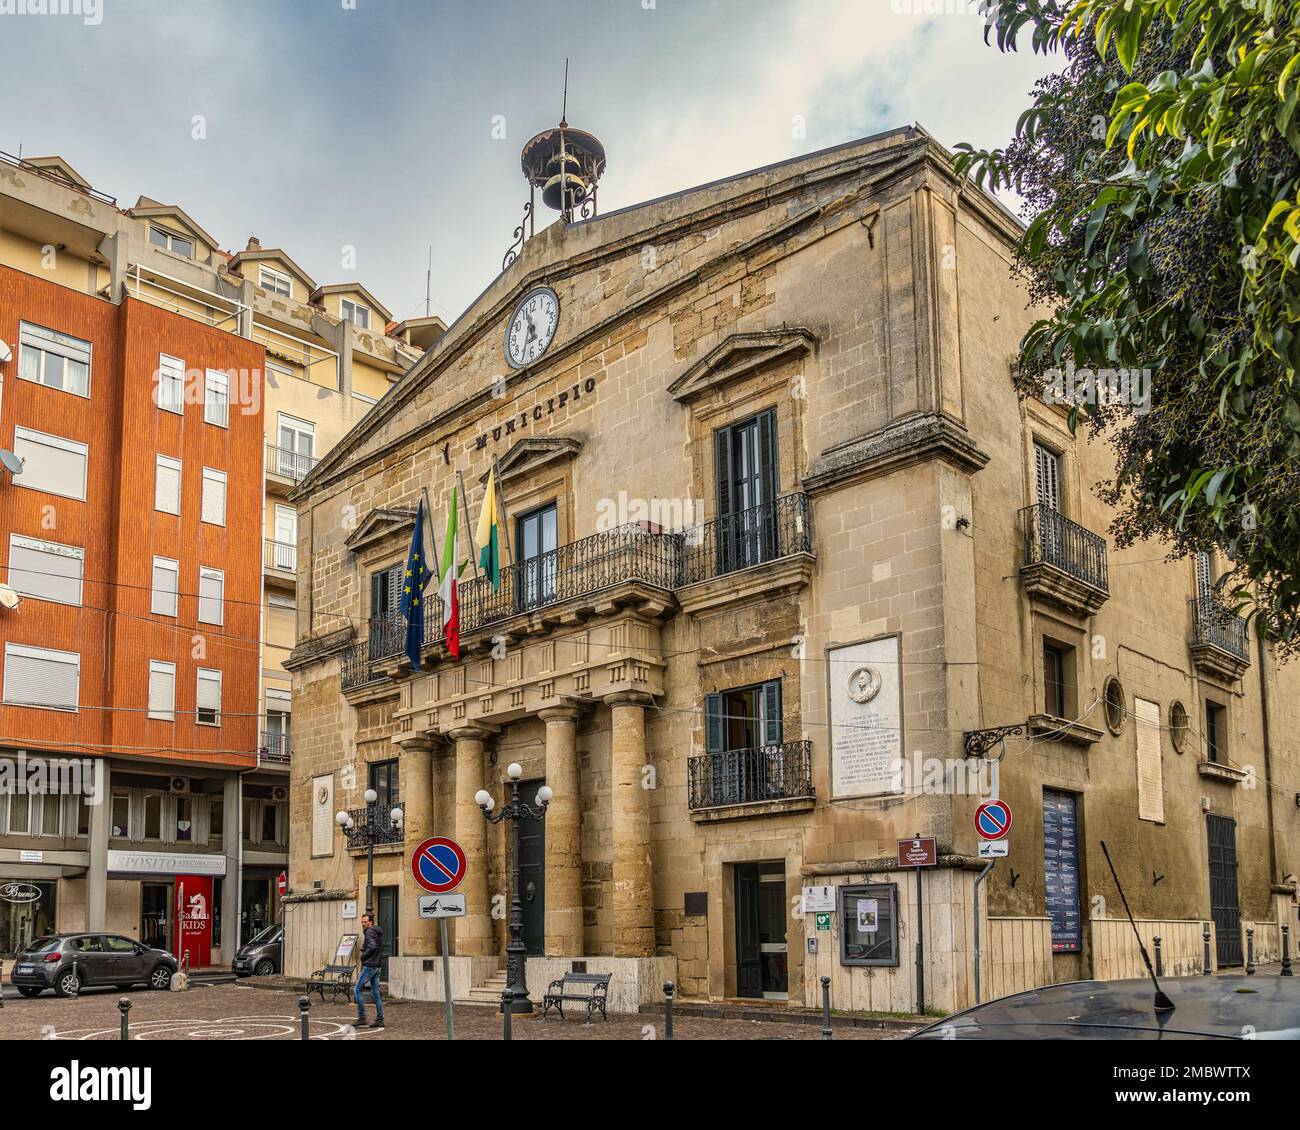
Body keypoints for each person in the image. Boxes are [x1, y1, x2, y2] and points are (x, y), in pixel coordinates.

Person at [353, 913, 385, 1029]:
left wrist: (363, 956)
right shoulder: (377, 932)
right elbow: (376, 947)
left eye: (365, 922)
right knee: (376, 993)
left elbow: (372, 947)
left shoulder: (369, 932)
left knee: (357, 989)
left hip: (370, 965)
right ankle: (380, 1019)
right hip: (377, 965)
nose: (363, 924)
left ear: (370, 922)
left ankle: (362, 1018)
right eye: (362, 922)